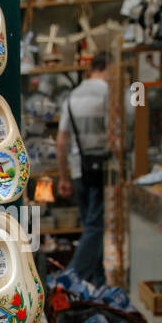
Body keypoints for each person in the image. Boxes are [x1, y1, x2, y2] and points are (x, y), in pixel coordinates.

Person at [55, 53, 111, 286]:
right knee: (96, 226)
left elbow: (61, 141)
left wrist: (64, 177)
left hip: (79, 169)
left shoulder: (71, 97)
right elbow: (117, 132)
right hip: (102, 168)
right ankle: (71, 277)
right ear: (109, 68)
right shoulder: (108, 93)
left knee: (91, 226)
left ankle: (97, 280)